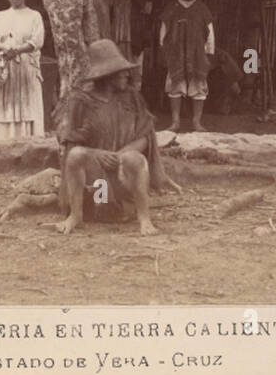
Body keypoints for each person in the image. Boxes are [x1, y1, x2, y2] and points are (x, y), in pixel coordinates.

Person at [56, 39, 182, 236]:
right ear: (106, 75)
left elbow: (146, 136)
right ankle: (76, 215)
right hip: (95, 184)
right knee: (76, 155)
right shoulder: (81, 101)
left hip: (122, 177)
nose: (126, 73)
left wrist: (120, 155)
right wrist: (96, 154)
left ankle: (144, 218)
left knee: (135, 158)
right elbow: (71, 146)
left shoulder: (131, 97)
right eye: (120, 70)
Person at [0, 0, 46, 144]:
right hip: (3, 65)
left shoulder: (34, 16)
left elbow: (37, 41)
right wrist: (5, 48)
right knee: (4, 104)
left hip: (25, 66)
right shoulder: (0, 16)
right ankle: (2, 141)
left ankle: (27, 141)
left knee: (25, 103)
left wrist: (18, 50)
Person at [159, 0, 214, 132]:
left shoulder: (202, 9)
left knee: (198, 87)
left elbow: (210, 33)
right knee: (175, 86)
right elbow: (164, 32)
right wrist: (164, 50)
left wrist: (208, 53)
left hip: (197, 54)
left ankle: (196, 122)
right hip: (176, 55)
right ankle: (175, 122)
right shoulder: (172, 8)